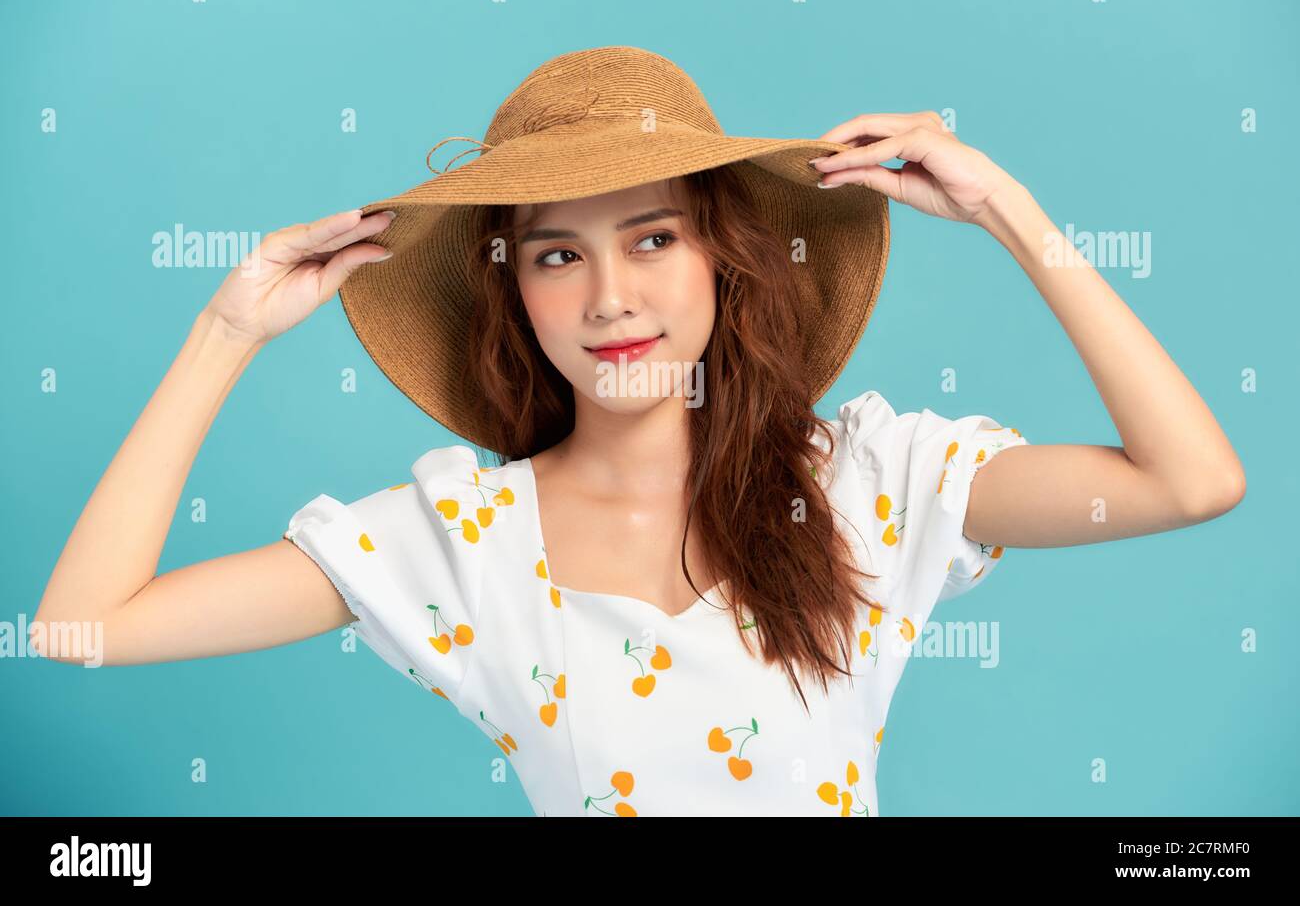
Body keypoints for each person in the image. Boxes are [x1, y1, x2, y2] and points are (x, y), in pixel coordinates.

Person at [30, 47, 1245, 816]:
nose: (609, 296)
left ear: (726, 263)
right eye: (559, 254)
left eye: (652, 238)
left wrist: (1006, 211)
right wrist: (226, 328)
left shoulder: (871, 482)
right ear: (515, 293)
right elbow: (81, 631)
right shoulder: (461, 543)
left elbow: (1190, 482)